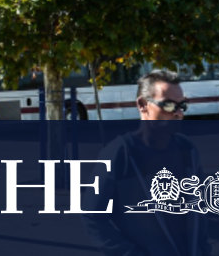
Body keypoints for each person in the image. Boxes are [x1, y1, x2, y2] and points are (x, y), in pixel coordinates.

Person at [82, 70, 209, 256]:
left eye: (182, 106)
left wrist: (203, 249)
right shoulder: (120, 153)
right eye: (168, 105)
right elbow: (92, 215)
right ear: (143, 105)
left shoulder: (187, 150)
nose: (178, 113)